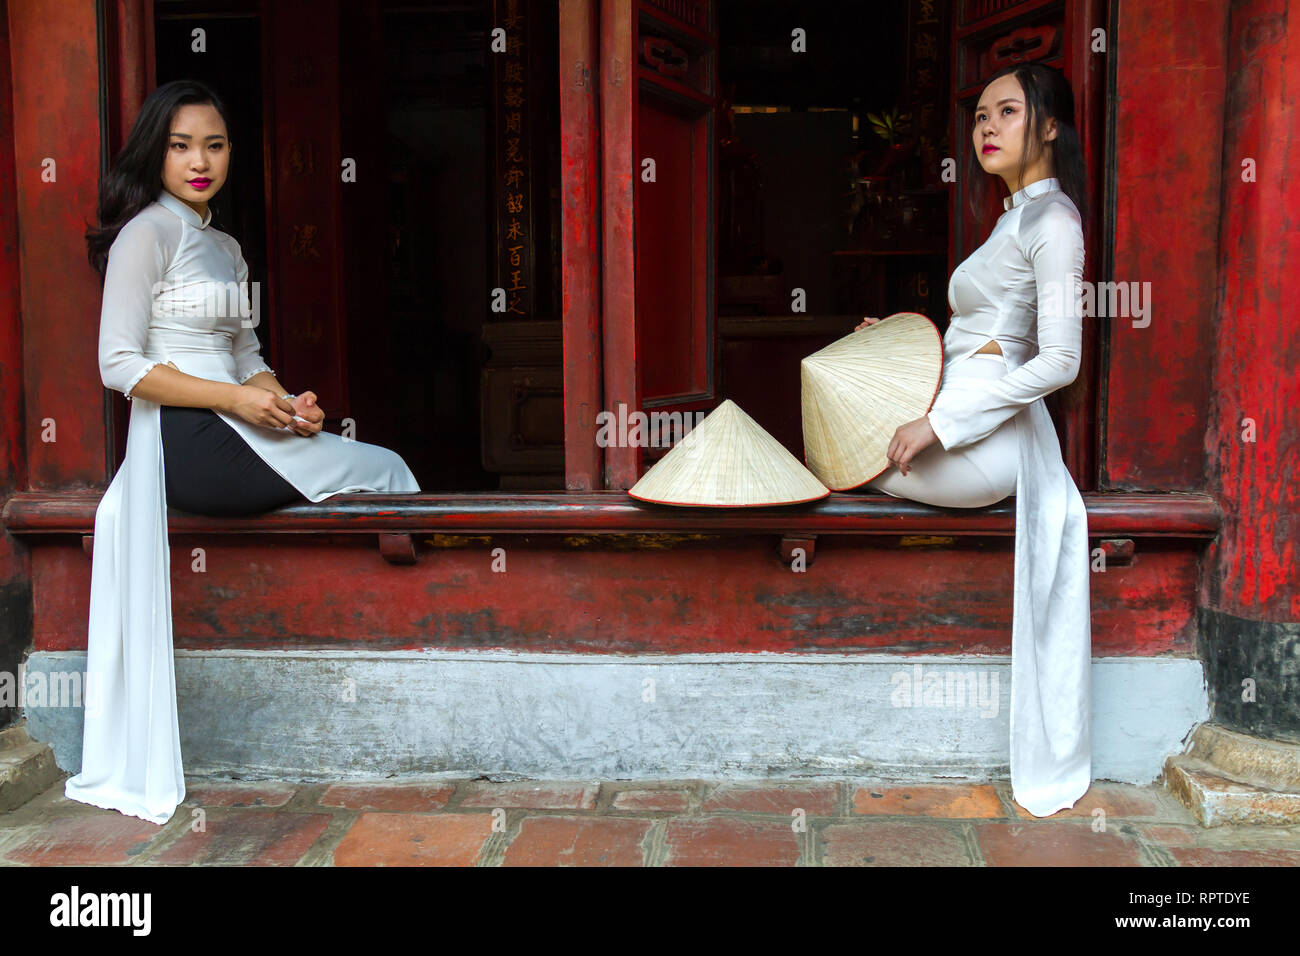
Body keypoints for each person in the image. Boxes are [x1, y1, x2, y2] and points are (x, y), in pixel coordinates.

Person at [66, 79, 421, 825]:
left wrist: (289, 405)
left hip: (237, 423)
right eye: (181, 144)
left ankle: (370, 638)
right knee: (385, 469)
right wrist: (231, 400)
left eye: (216, 145)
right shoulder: (145, 234)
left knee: (375, 463)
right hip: (185, 440)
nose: (200, 160)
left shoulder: (225, 247)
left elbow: (246, 354)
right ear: (154, 152)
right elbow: (118, 365)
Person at [855, 62, 1092, 817]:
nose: (986, 127)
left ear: (1049, 127)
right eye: (981, 116)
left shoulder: (1054, 224)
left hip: (989, 442)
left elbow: (1059, 361)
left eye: (1008, 113)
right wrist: (893, 345)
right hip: (957, 407)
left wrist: (941, 423)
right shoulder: (1011, 219)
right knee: (842, 444)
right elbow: (969, 340)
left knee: (844, 460)